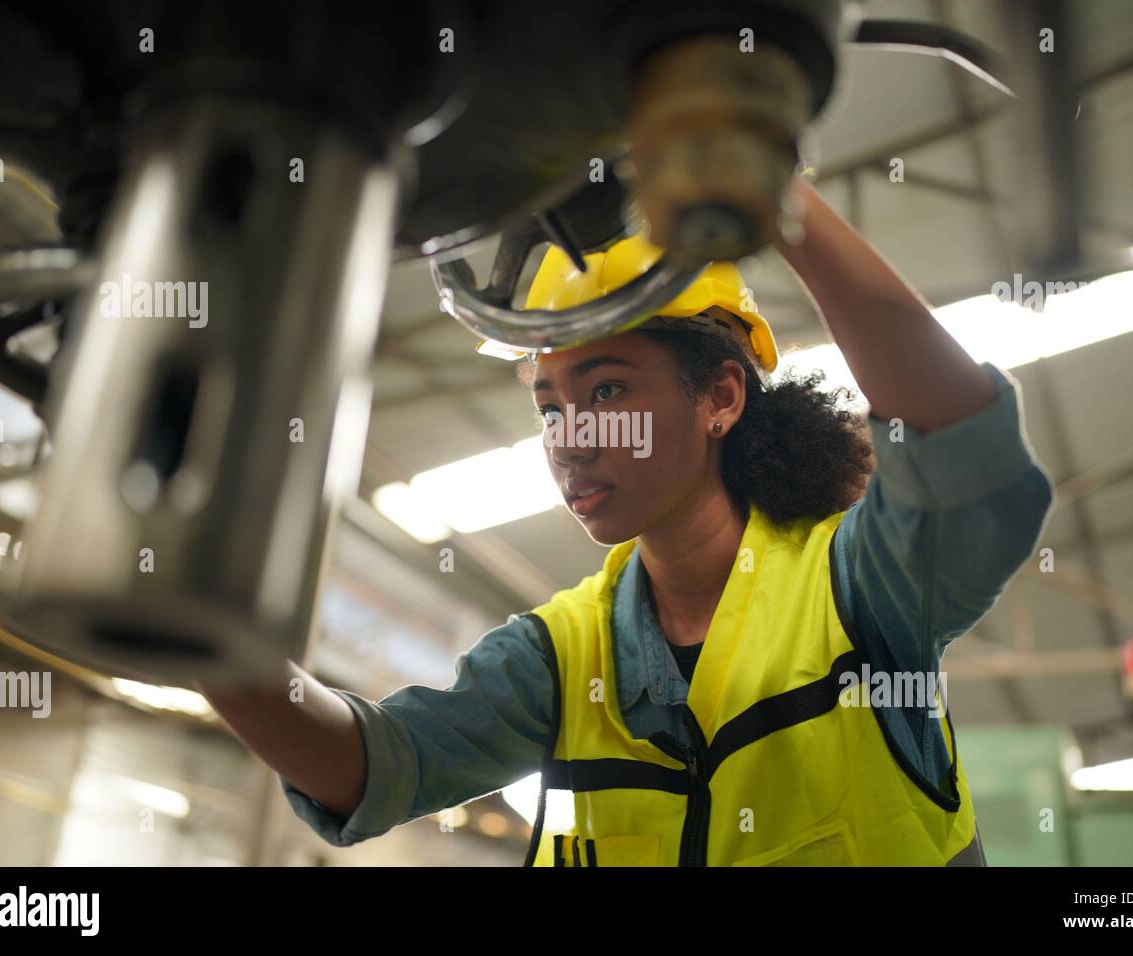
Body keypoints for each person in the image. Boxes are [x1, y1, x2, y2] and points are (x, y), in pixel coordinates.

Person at [199, 177, 1054, 866]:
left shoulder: (858, 594)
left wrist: (781, 198)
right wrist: (203, 633)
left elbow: (960, 450)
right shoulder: (560, 658)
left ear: (721, 395)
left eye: (607, 391)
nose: (569, 441)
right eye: (548, 407)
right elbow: (372, 765)